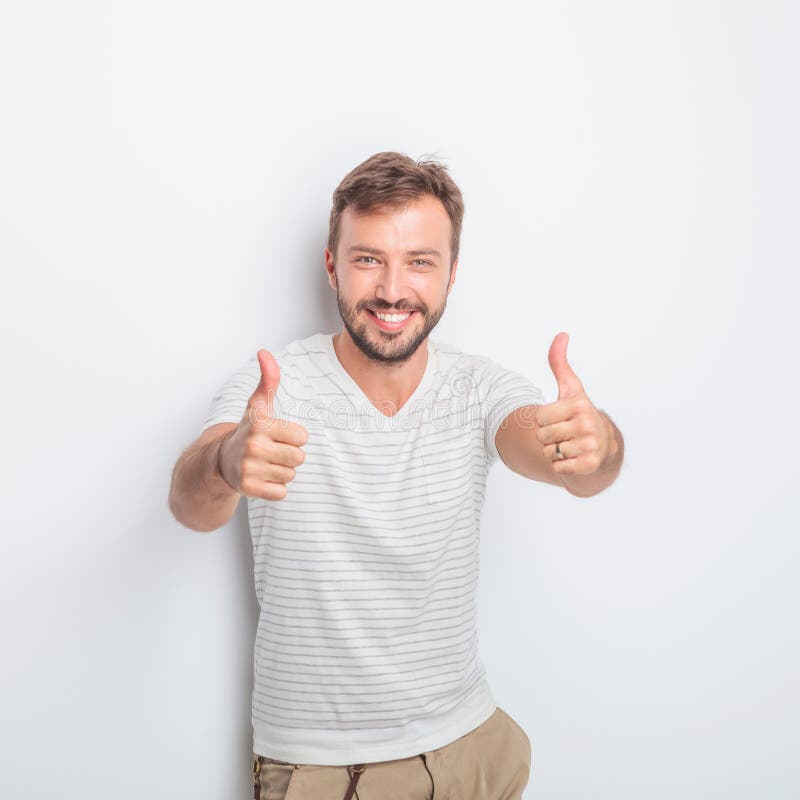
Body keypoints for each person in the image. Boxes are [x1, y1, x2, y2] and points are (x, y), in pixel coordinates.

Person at [168, 151, 624, 799]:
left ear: (451, 273)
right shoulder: (274, 388)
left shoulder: (478, 387)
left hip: (473, 749)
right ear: (332, 264)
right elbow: (192, 505)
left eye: (419, 261)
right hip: (325, 771)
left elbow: (566, 463)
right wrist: (224, 461)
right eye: (367, 259)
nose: (390, 289)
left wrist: (593, 446)